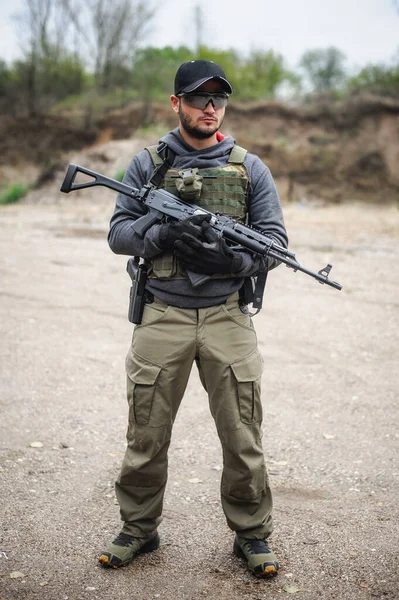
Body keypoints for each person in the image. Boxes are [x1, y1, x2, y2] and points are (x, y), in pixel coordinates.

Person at [98, 59, 288, 578]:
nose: (210, 107)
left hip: (228, 314)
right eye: (199, 98)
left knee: (242, 435)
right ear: (176, 103)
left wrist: (233, 262)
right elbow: (118, 235)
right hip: (162, 315)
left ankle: (251, 535)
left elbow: (276, 245)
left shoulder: (250, 168)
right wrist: (156, 235)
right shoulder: (147, 165)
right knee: (146, 433)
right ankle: (139, 528)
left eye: (219, 99)